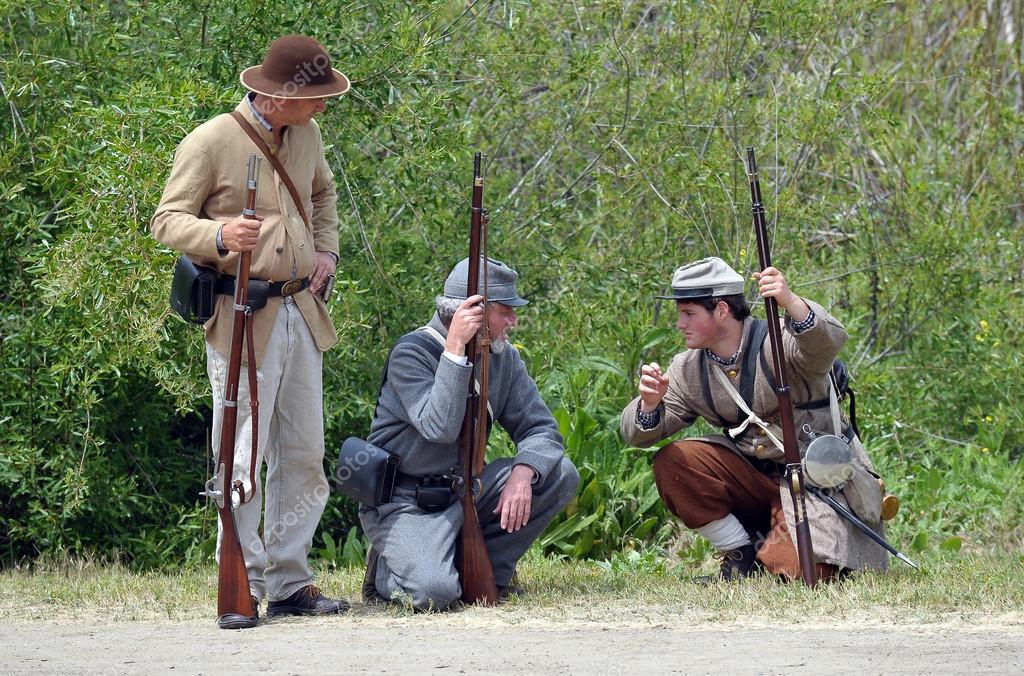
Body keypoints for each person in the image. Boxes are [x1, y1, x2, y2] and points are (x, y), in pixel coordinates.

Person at [151, 35, 352, 628]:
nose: (320, 107)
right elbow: (166, 219)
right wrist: (218, 239)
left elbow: (322, 194)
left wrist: (327, 254)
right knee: (240, 456)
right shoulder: (212, 140)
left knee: (304, 454)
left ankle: (290, 581)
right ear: (275, 95)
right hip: (242, 315)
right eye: (313, 97)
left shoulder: (308, 134)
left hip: (300, 309)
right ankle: (240, 577)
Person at [620, 257, 888, 581]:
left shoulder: (780, 342)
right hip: (751, 478)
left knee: (806, 574)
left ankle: (780, 544)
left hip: (812, 481)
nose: (680, 323)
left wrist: (790, 301)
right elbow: (638, 435)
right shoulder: (687, 369)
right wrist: (650, 404)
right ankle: (740, 554)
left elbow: (826, 343)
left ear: (721, 310)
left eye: (688, 313)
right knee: (674, 462)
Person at [359, 257, 580, 610]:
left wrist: (524, 472)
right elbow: (440, 427)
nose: (513, 321)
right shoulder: (412, 353)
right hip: (405, 501)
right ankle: (386, 571)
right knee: (434, 595)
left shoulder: (501, 358)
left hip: (467, 492)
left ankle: (494, 571)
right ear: (470, 312)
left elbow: (541, 428)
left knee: (559, 474)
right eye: (505, 311)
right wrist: (455, 351)